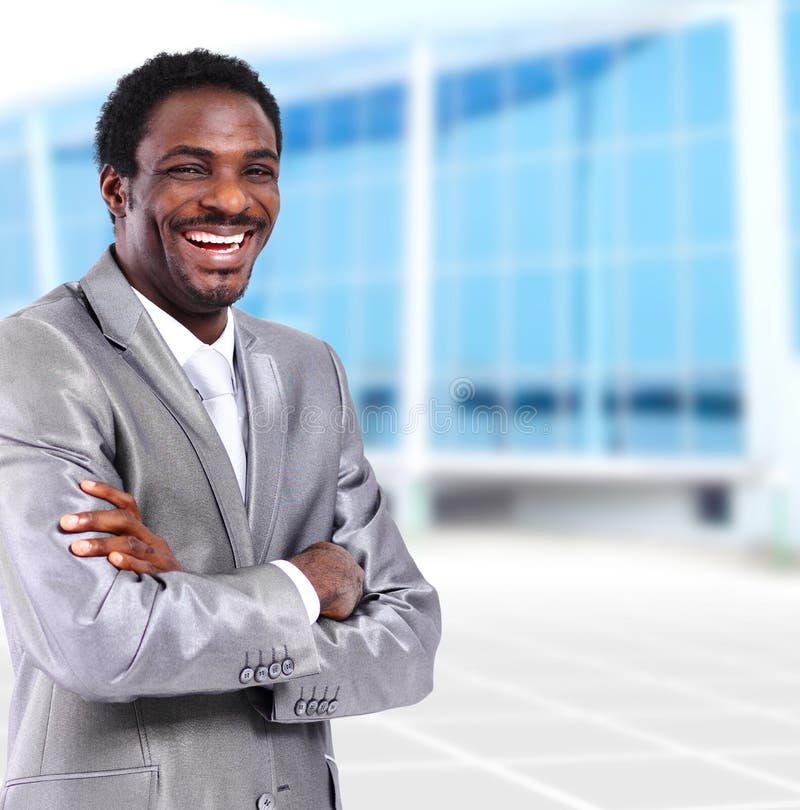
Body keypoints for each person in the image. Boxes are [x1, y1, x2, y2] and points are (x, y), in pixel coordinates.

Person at [0, 50, 440, 810]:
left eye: (258, 170)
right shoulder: (38, 357)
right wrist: (305, 584)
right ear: (117, 188)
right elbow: (102, 641)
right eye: (190, 168)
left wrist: (190, 598)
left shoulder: (309, 369)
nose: (232, 200)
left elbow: (409, 641)